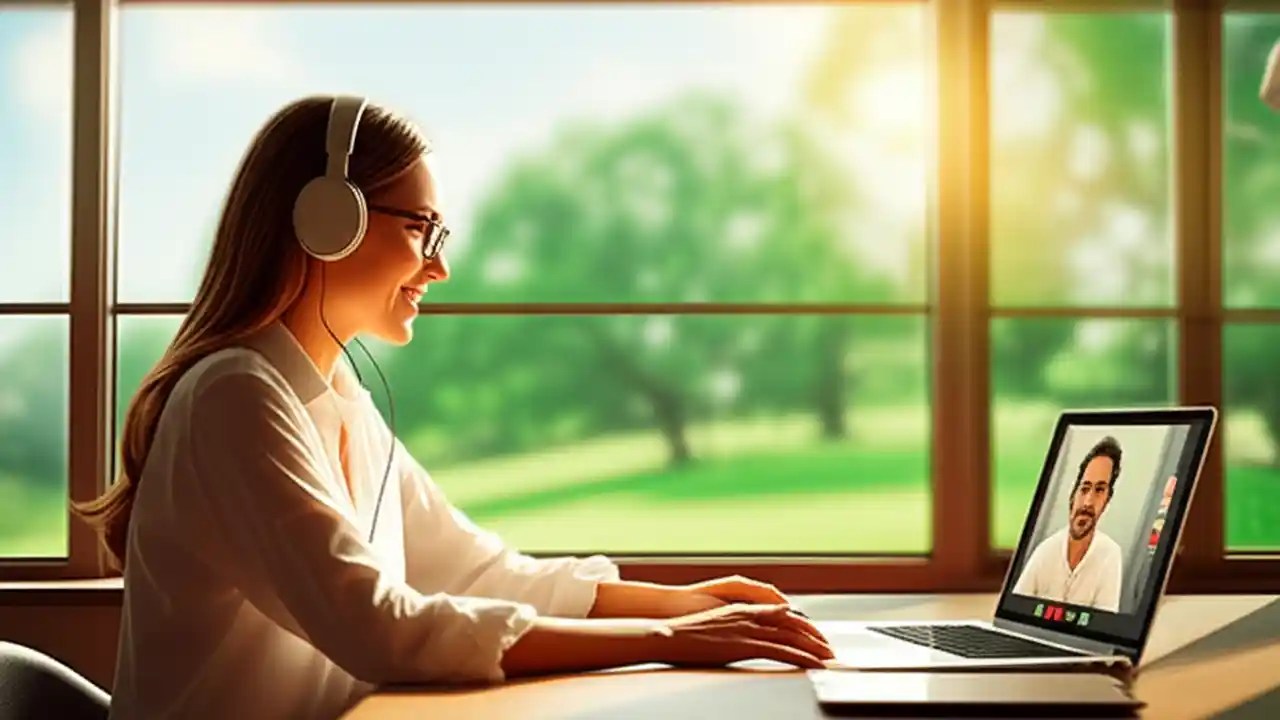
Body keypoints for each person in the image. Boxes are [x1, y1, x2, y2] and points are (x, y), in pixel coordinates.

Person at [72, 96, 833, 720]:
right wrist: (668, 636)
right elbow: (379, 628)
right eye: (421, 229)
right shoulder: (234, 398)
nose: (440, 265)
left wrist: (683, 602)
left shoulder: (337, 396)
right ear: (326, 220)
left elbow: (473, 571)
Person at [1012, 436, 1125, 613]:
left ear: (1106, 501)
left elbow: (1103, 626)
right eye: (1085, 488)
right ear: (1073, 496)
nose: (1088, 502)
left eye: (1099, 490)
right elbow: (1014, 612)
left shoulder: (1110, 555)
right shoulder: (1045, 550)